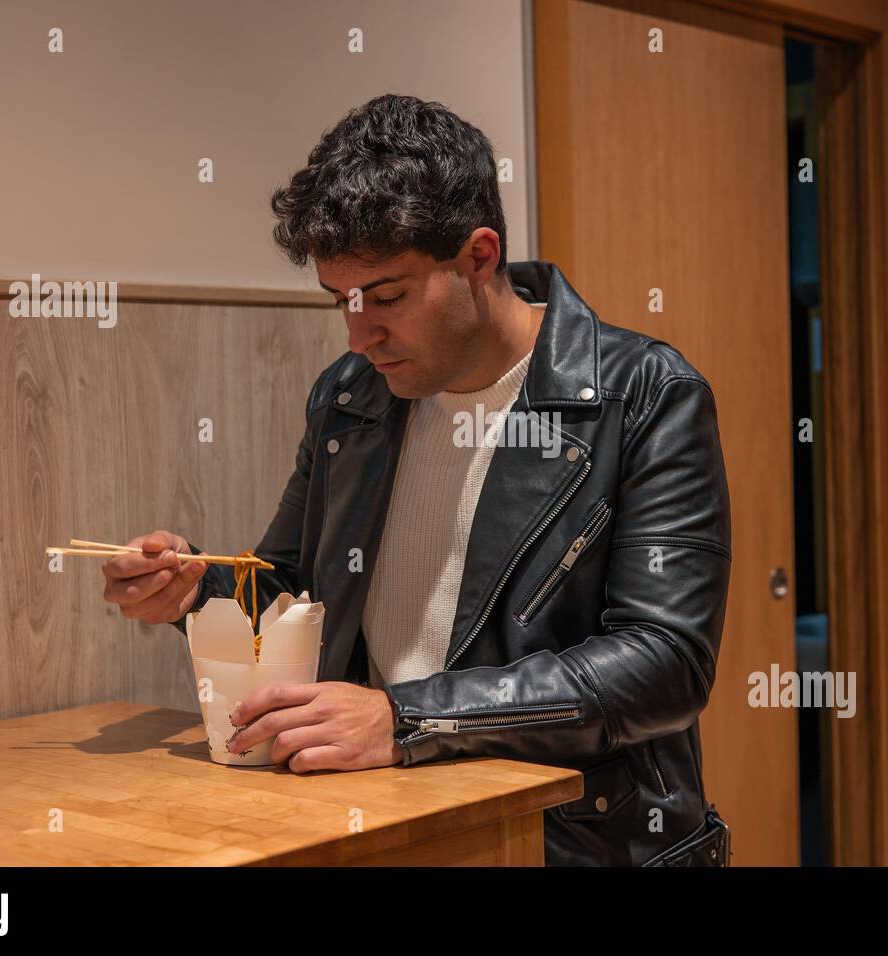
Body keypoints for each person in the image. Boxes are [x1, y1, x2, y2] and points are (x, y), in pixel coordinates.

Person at [100, 94, 731, 866]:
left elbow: (664, 662)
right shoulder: (352, 395)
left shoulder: (644, 395)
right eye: (342, 302)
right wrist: (197, 588)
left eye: (388, 298)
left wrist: (409, 718)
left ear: (479, 257)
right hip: (391, 824)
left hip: (573, 838)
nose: (360, 334)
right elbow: (298, 593)